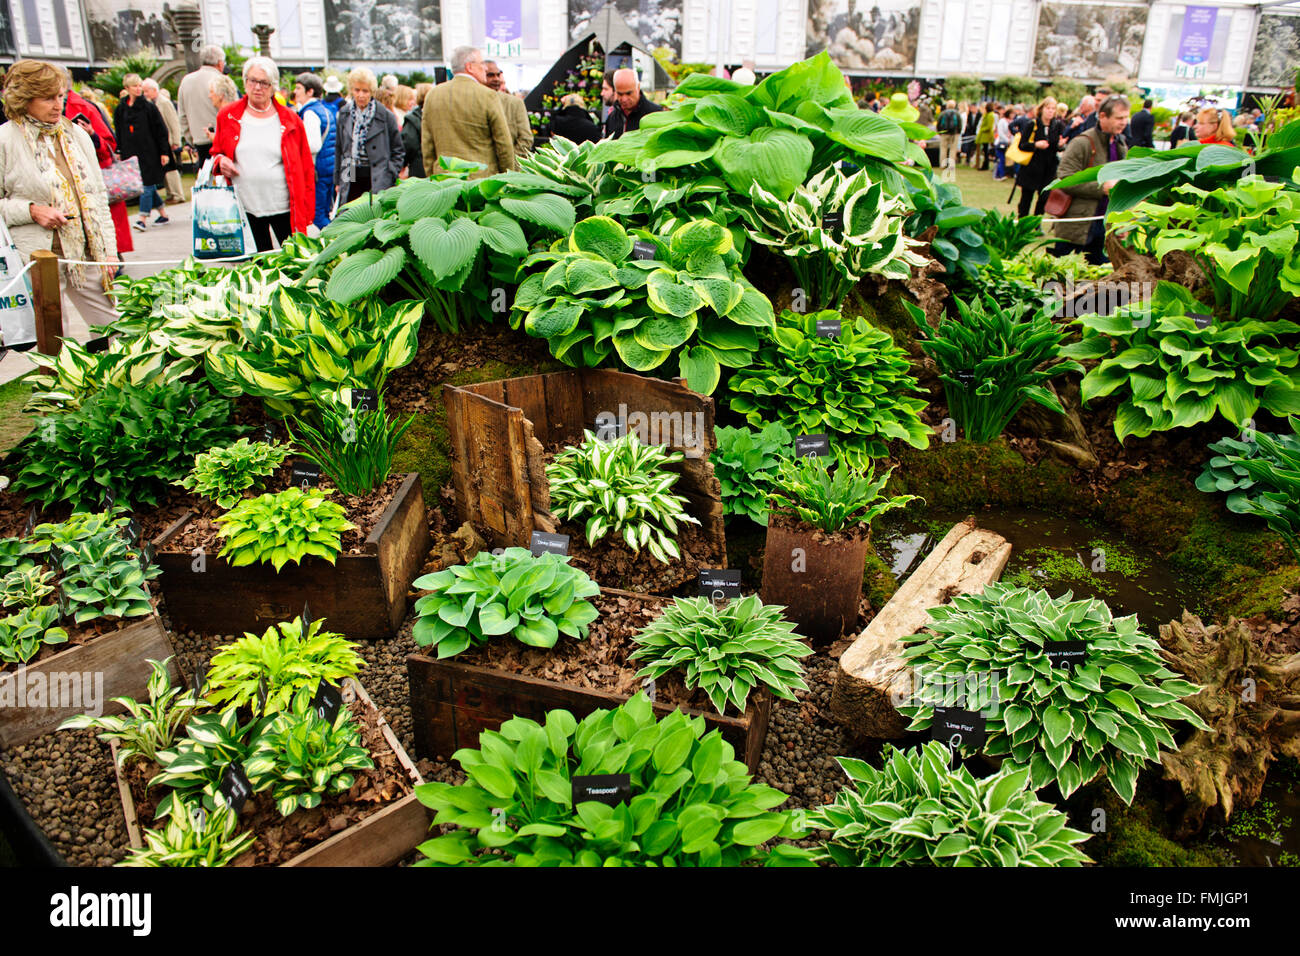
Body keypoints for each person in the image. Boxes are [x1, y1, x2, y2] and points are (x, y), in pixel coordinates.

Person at [0, 60, 118, 327]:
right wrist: (32, 210)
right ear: (24, 99)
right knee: (53, 336)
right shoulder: (5, 140)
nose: (58, 105)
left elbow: (98, 195)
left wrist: (109, 251)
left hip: (85, 252)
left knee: (115, 328)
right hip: (36, 258)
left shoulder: (75, 134)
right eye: (47, 98)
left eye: (61, 96)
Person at [209, 56, 315, 251]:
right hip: (245, 208)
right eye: (252, 81)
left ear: (273, 86)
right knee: (256, 264)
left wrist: (307, 211)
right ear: (245, 82)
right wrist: (220, 161)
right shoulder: (228, 116)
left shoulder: (291, 119)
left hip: (283, 207)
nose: (257, 87)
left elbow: (306, 166)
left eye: (263, 83)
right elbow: (217, 152)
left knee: (293, 261)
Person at [1052, 95, 1130, 265]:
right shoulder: (1083, 142)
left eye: (1126, 117)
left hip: (1106, 225)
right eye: (1119, 118)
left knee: (1097, 281)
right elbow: (1065, 178)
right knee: (1065, 280)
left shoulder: (1121, 144)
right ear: (1102, 116)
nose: (1124, 122)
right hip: (1078, 226)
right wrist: (1100, 188)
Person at [422, 46, 514, 178]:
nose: (486, 68)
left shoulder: (433, 95)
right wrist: (508, 178)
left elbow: (427, 145)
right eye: (481, 63)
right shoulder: (488, 96)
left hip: (444, 180)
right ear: (469, 67)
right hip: (481, 182)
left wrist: (432, 176)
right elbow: (503, 144)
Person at [64, 86, 132, 257]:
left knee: (106, 218)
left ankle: (114, 254)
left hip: (96, 174)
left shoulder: (84, 107)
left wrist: (91, 134)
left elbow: (109, 143)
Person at [336, 67, 404, 204]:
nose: (361, 95)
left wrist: (390, 173)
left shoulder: (385, 116)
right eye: (357, 90)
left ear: (371, 92)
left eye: (365, 91)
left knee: (373, 216)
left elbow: (398, 150)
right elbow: (340, 149)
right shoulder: (344, 114)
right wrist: (339, 180)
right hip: (351, 174)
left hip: (377, 176)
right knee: (350, 217)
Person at [114, 73, 173, 231]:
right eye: (135, 86)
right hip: (130, 153)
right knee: (146, 185)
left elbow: (161, 129)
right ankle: (162, 212)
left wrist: (164, 152)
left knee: (146, 184)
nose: (138, 89)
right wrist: (118, 149)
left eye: (140, 86)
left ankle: (142, 218)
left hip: (149, 152)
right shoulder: (121, 109)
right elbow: (118, 130)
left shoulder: (148, 107)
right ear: (127, 88)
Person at [293, 72, 335, 229]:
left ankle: (337, 243)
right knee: (324, 213)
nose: (295, 92)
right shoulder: (324, 109)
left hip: (318, 171)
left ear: (310, 91)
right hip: (328, 169)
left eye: (298, 88)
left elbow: (313, 145)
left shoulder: (310, 113)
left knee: (317, 216)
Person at [1015, 96, 1063, 218]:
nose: (1050, 111)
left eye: (1053, 109)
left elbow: (1056, 146)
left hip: (1049, 167)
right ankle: (1023, 221)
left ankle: (1037, 221)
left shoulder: (1057, 126)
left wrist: (1060, 145)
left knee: (1044, 196)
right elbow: (1022, 145)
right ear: (1042, 109)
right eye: (1048, 108)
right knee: (1027, 196)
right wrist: (1036, 145)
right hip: (1032, 167)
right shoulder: (1032, 124)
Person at [177, 45, 224, 167]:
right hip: (222, 141)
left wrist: (191, 139)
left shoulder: (186, 81)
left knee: (206, 182)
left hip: (199, 140)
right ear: (220, 63)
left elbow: (182, 116)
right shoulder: (221, 80)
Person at [142, 79, 185, 204]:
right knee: (165, 168)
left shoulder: (164, 103)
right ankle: (170, 193)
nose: (145, 94)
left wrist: (176, 141)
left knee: (171, 168)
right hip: (160, 141)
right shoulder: (151, 104)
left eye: (146, 91)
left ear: (154, 90)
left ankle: (177, 194)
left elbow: (173, 122)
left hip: (169, 140)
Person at [483, 59, 533, 157]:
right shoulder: (472, 102)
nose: (496, 79)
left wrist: (509, 164)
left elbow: (526, 139)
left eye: (498, 75)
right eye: (490, 75)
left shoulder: (515, 103)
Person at [605, 67, 662, 139]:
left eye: (629, 93)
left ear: (638, 87)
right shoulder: (612, 118)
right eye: (620, 94)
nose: (624, 99)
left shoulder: (655, 115)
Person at [935, 99, 961, 181]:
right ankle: (951, 165)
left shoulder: (942, 113)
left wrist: (939, 132)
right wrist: (958, 132)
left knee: (943, 148)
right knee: (953, 149)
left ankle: (943, 164)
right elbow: (960, 124)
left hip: (944, 133)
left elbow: (938, 123)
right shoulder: (957, 114)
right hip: (954, 133)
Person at [993, 105, 1013, 181]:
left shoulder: (1011, 121)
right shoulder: (1002, 121)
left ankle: (1002, 174)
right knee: (1001, 159)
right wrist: (1007, 140)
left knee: (1005, 160)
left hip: (1008, 144)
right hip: (1000, 143)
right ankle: (999, 175)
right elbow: (1000, 133)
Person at [975, 102, 995, 170]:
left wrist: (982, 129)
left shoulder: (990, 115)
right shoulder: (988, 115)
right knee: (985, 151)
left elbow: (989, 126)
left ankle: (985, 165)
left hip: (986, 136)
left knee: (986, 151)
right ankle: (985, 165)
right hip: (984, 135)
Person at [962, 101, 980, 166]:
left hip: (976, 133)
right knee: (968, 147)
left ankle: (975, 161)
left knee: (975, 148)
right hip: (969, 133)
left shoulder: (979, 115)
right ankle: (967, 160)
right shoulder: (968, 115)